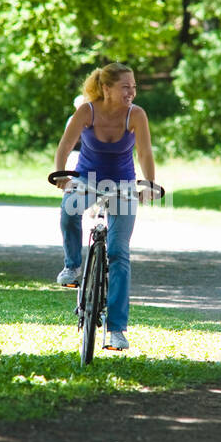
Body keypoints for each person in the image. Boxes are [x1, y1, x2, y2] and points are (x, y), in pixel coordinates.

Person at [52, 62, 156, 352]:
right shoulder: (87, 110)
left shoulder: (136, 115)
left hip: (123, 184)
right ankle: (73, 266)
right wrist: (61, 173)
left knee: (119, 253)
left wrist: (148, 183)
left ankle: (116, 331)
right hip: (88, 179)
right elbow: (65, 144)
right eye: (126, 87)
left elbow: (145, 152)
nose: (131, 92)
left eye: (134, 86)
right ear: (106, 88)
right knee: (69, 211)